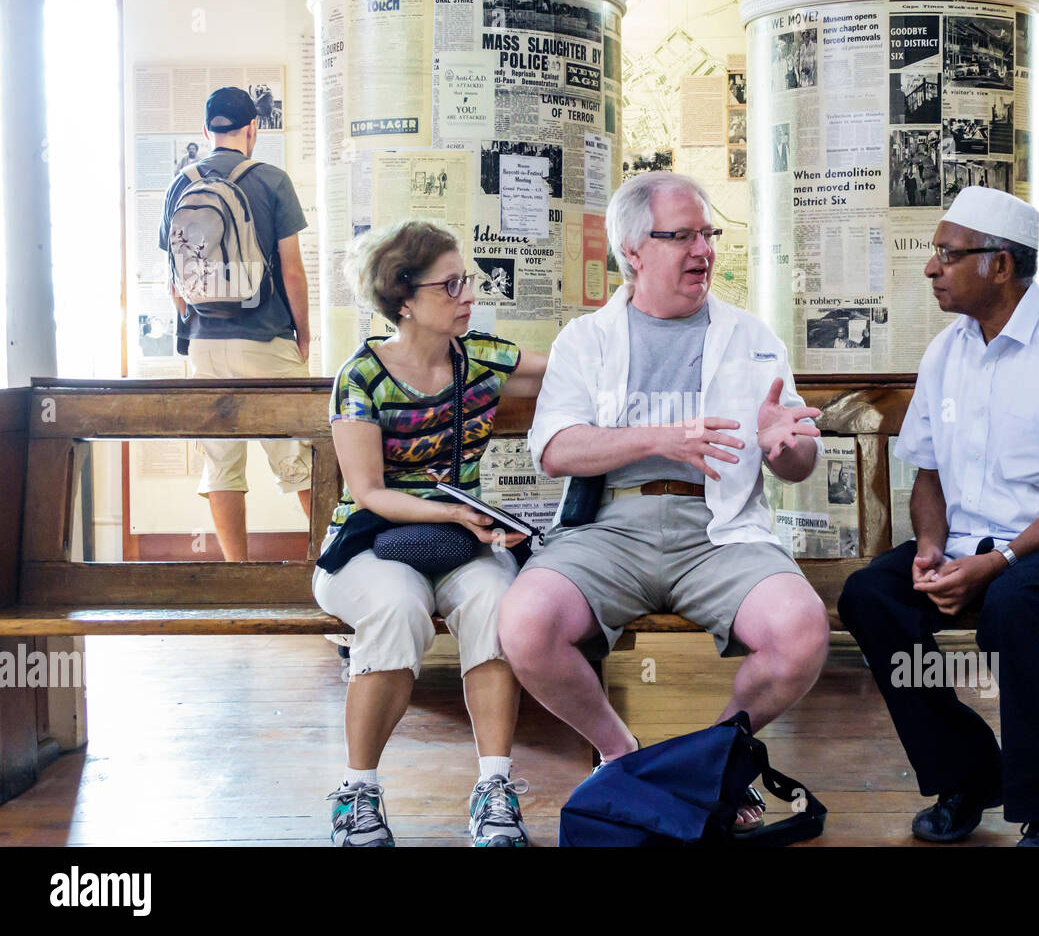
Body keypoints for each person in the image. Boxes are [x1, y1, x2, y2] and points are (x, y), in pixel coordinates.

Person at [497, 171, 830, 831]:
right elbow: (556, 448)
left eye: (708, 234)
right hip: (611, 528)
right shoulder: (585, 340)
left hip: (721, 529)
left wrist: (784, 446)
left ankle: (709, 768)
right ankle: (622, 758)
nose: (702, 250)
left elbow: (798, 461)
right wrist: (661, 438)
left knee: (802, 632)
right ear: (633, 251)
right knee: (525, 624)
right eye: (681, 236)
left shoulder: (752, 336)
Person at [836, 186, 1039, 848]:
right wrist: (931, 547)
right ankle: (968, 775)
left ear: (999, 264)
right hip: (970, 541)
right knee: (871, 596)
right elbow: (929, 476)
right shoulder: (948, 352)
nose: (931, 266)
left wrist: (996, 564)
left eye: (947, 253)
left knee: (1015, 609)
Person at [313, 220, 547, 846]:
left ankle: (494, 789)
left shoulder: (484, 359)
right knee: (395, 606)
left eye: (466, 279)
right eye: (452, 284)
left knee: (499, 603)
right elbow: (369, 493)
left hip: (457, 538)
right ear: (405, 298)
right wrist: (452, 514)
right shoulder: (360, 377)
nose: (468, 293)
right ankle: (357, 793)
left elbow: (564, 369)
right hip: (369, 541)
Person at [159, 87, 313, 562]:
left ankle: (237, 575)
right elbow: (292, 269)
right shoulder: (271, 180)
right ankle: (337, 567)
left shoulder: (180, 184)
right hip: (265, 340)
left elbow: (174, 282)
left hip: (204, 345)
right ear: (253, 129)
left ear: (207, 131)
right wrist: (303, 332)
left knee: (221, 463)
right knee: (299, 460)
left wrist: (191, 327)